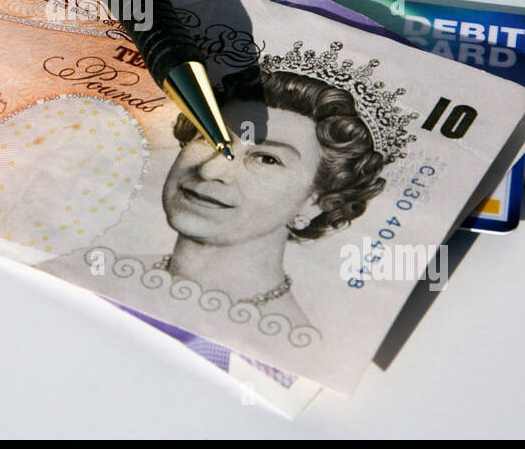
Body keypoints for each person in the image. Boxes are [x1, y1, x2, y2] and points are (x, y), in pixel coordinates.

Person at [152, 66, 387, 328]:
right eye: (209, 137)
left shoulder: (295, 344)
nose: (209, 170)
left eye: (266, 159)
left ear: (318, 201)